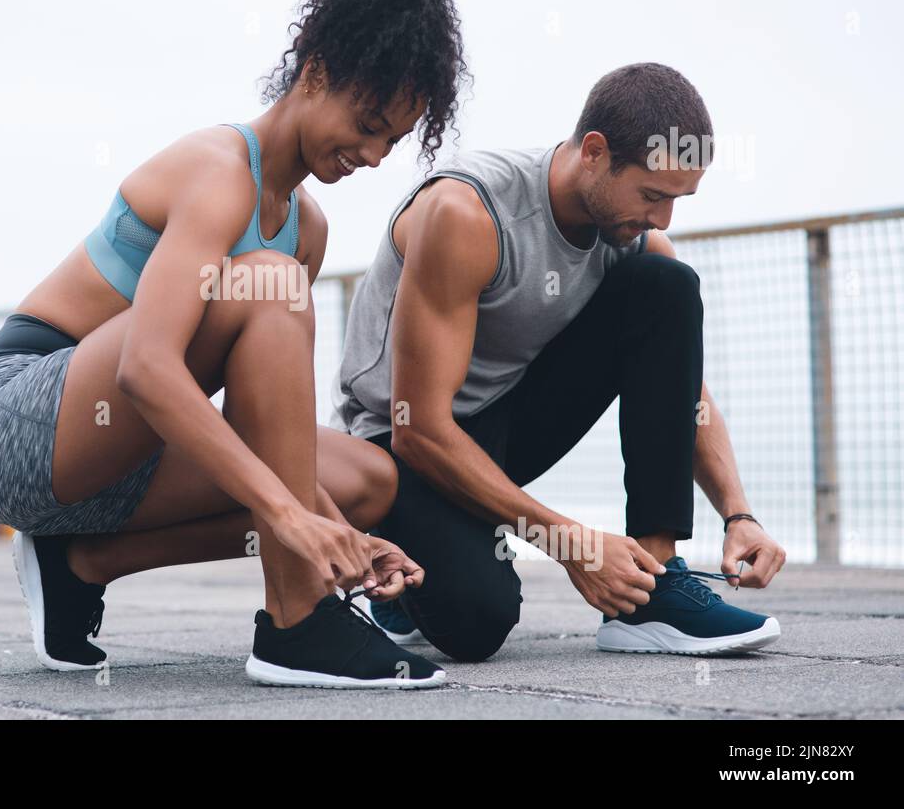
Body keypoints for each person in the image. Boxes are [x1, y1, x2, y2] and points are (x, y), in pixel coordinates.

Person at [0, 0, 471, 688]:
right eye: (368, 123)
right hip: (22, 422)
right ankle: (297, 625)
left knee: (367, 480)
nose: (376, 154)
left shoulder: (307, 230)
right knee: (269, 286)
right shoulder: (219, 170)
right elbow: (148, 368)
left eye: (393, 139)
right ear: (316, 72)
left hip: (125, 452)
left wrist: (341, 533)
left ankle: (77, 563)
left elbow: (255, 421)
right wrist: (290, 522)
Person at [332, 62, 787, 660]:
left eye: (678, 199)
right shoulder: (468, 212)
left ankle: (652, 584)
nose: (663, 218)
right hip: (400, 444)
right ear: (594, 153)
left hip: (504, 423)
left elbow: (687, 399)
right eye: (652, 195)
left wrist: (738, 514)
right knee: (475, 623)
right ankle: (398, 591)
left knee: (666, 283)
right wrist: (569, 540)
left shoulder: (635, 238)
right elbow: (419, 430)